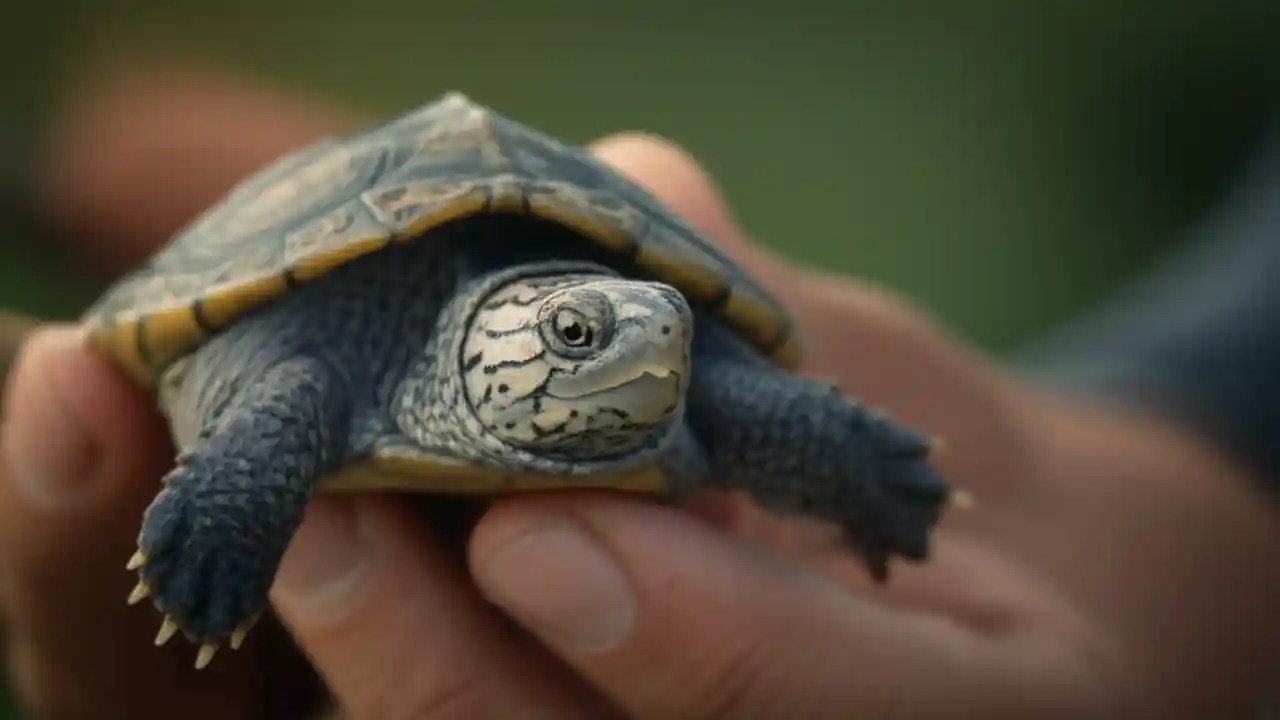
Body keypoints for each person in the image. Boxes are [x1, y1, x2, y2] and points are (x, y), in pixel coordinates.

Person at [0, 58, 1276, 720]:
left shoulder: (681, 377)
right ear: (487, 334)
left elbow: (761, 402)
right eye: (571, 330)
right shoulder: (321, 356)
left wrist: (916, 494)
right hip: (315, 333)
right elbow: (264, 409)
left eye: (660, 333)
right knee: (261, 422)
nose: (643, 352)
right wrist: (214, 544)